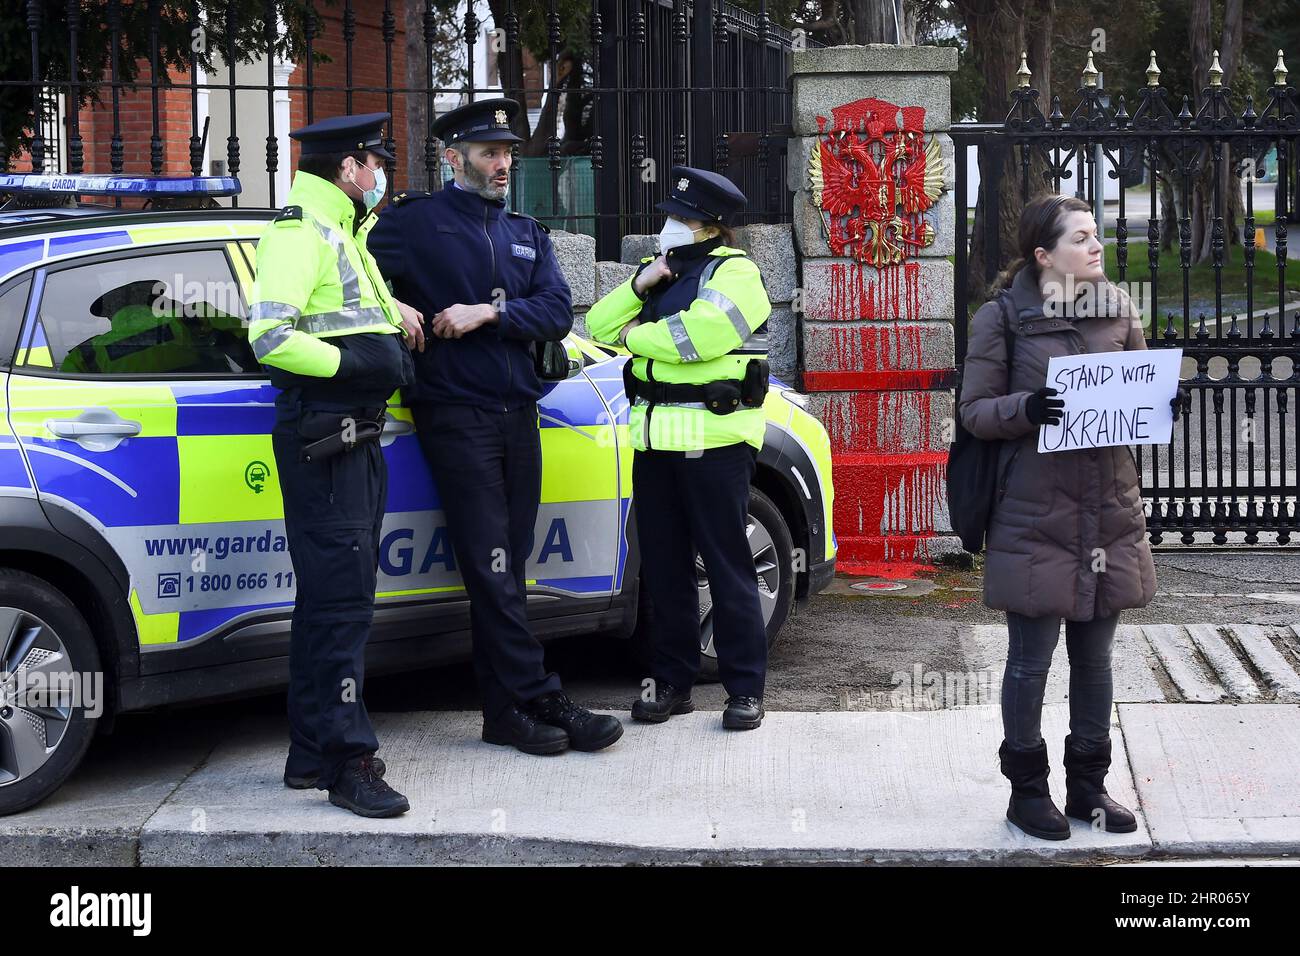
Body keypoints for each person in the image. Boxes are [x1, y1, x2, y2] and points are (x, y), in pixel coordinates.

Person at [368, 97, 623, 755]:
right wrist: (390, 300)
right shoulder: (414, 224)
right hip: (454, 415)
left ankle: (503, 714)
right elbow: (347, 264)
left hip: (520, 416)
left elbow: (555, 311)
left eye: (507, 152)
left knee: (508, 569)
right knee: (490, 566)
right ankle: (542, 697)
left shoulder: (526, 232)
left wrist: (487, 313)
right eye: (490, 152)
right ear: (454, 158)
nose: (504, 162)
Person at [958, 193, 1184, 840]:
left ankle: (1089, 786)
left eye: (1096, 234)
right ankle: (1027, 792)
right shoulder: (1001, 318)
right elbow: (975, 412)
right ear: (1042, 254)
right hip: (1036, 513)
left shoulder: (1117, 307)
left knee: (1097, 659)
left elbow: (1144, 388)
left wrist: (1164, 401)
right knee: (1031, 661)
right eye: (1080, 237)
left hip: (1107, 510)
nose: (1096, 246)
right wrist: (1029, 409)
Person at [249, 111, 424, 818]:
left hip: (350, 440)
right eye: (374, 163)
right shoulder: (301, 231)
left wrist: (394, 318)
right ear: (349, 168)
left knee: (329, 604)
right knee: (342, 609)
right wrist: (351, 361)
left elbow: (355, 309)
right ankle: (348, 761)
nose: (380, 175)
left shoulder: (343, 231)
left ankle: (311, 753)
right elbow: (270, 335)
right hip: (326, 442)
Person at [586, 165, 773, 730]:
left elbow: (697, 338)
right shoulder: (663, 273)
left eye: (679, 218)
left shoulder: (736, 273)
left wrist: (633, 338)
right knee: (665, 571)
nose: (668, 225)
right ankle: (670, 683)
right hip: (654, 445)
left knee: (727, 566)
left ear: (709, 226)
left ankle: (745, 690)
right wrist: (642, 284)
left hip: (715, 445)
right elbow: (595, 322)